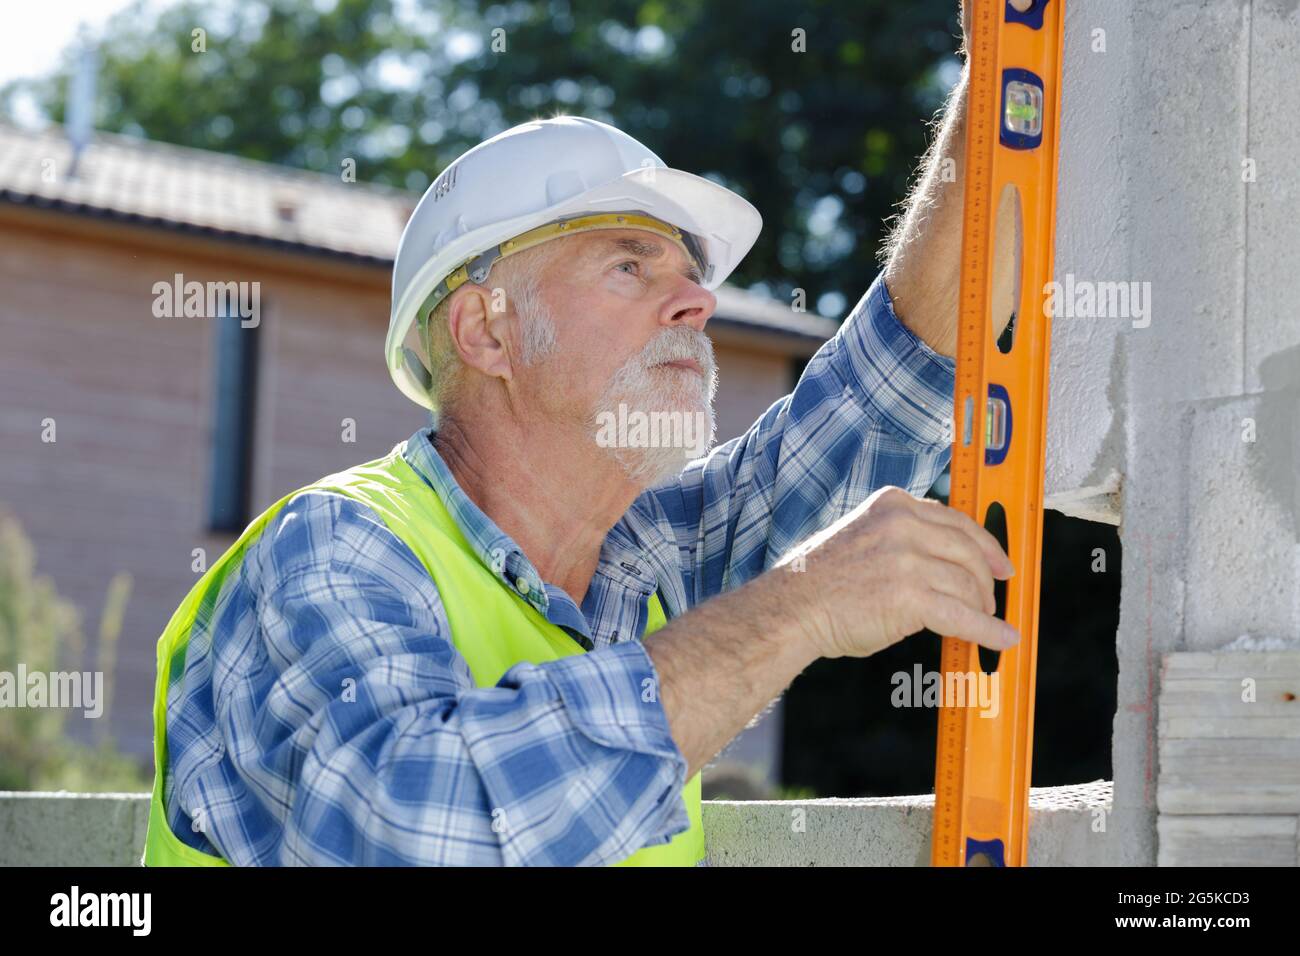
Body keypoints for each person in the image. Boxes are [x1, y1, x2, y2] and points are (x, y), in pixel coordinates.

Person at [144, 1, 1028, 866]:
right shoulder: (336, 551)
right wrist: (800, 605)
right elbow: (416, 828)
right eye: (628, 265)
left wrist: (998, 52)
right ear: (486, 331)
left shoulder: (646, 565)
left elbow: (893, 381)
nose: (696, 301)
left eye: (689, 274)